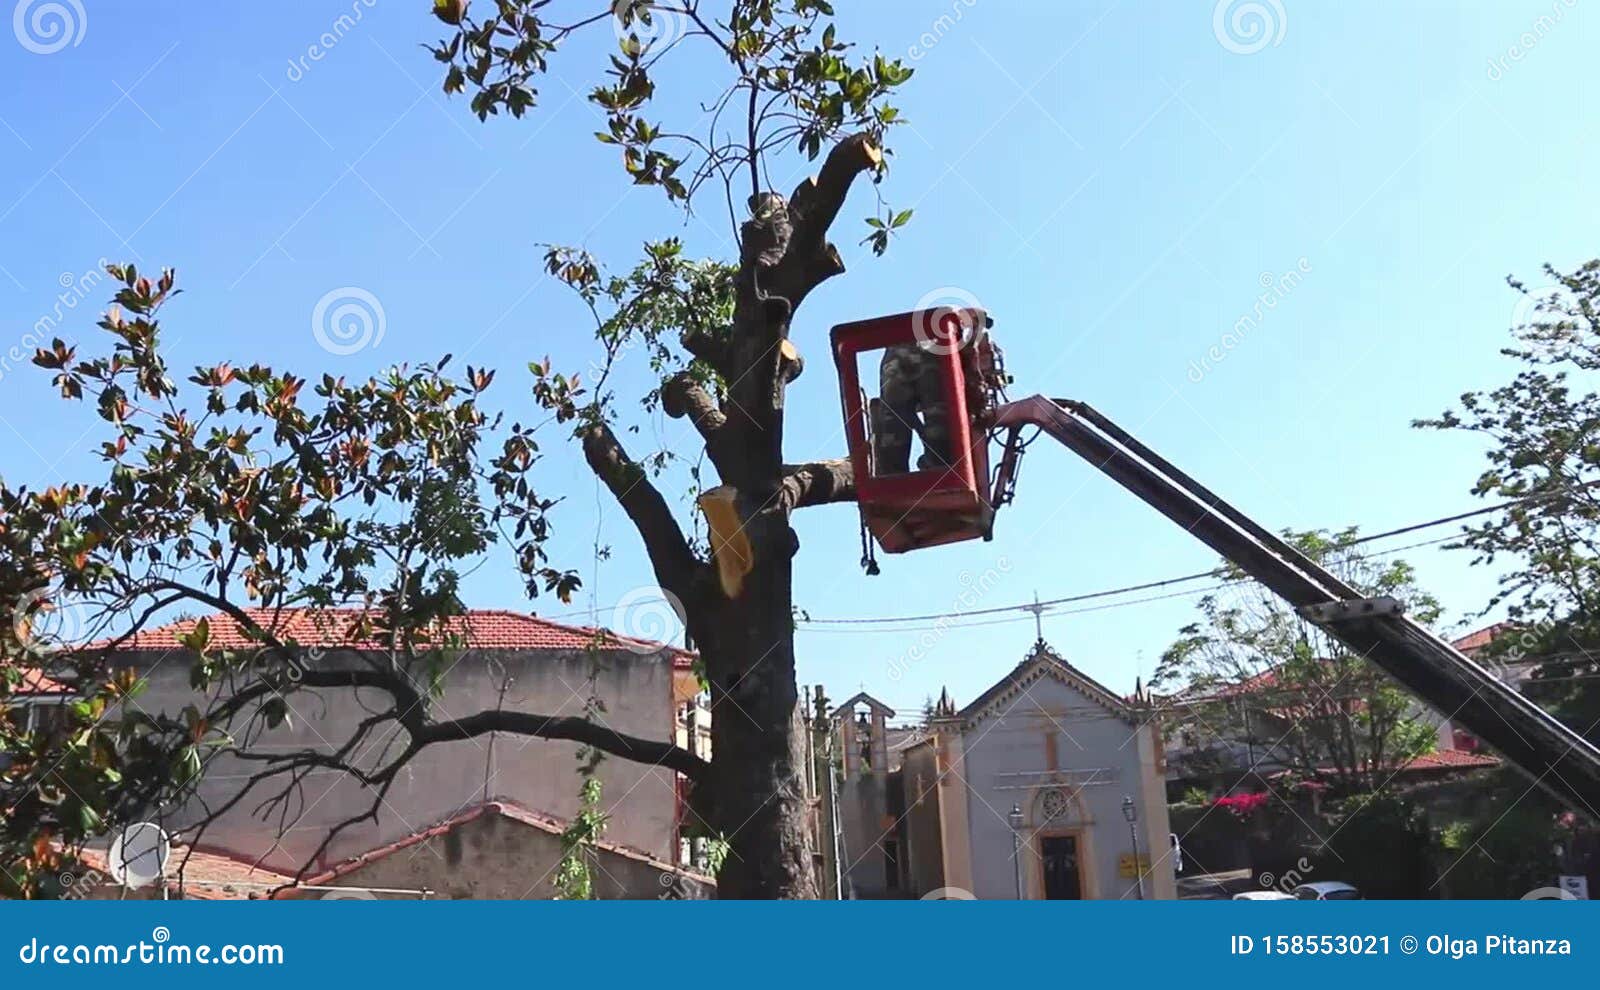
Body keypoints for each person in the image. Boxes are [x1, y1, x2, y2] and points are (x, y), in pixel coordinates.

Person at [871, 343, 952, 474]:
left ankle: (895, 483)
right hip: (933, 352)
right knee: (939, 431)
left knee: (893, 433)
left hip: (902, 352)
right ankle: (937, 470)